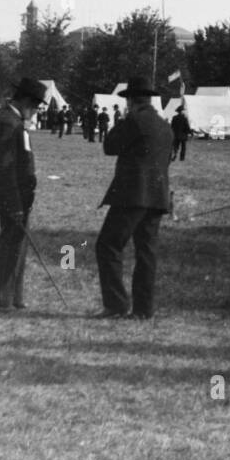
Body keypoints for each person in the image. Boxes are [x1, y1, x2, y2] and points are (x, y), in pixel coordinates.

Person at [93, 76, 173, 321]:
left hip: (132, 196)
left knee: (107, 246)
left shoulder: (134, 120)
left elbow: (110, 146)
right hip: (157, 196)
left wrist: (123, 121)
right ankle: (143, 309)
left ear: (131, 100)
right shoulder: (164, 125)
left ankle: (116, 305)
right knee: (146, 252)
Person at [0, 77, 48, 312]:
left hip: (21, 196)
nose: (36, 111)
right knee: (10, 247)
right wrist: (15, 202)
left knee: (18, 246)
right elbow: (6, 168)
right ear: (27, 101)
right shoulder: (8, 123)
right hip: (13, 197)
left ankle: (15, 296)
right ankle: (2, 300)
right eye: (36, 106)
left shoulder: (14, 121)